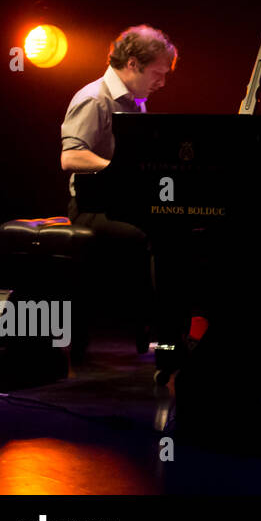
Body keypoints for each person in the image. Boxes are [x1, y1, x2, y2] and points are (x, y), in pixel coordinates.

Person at [60, 25, 177, 354]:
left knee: (177, 226)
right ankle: (162, 329)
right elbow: (71, 157)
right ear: (134, 64)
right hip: (90, 209)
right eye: (157, 73)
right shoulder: (94, 99)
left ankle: (172, 328)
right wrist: (121, 171)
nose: (162, 82)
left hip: (120, 203)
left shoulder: (134, 102)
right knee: (158, 235)